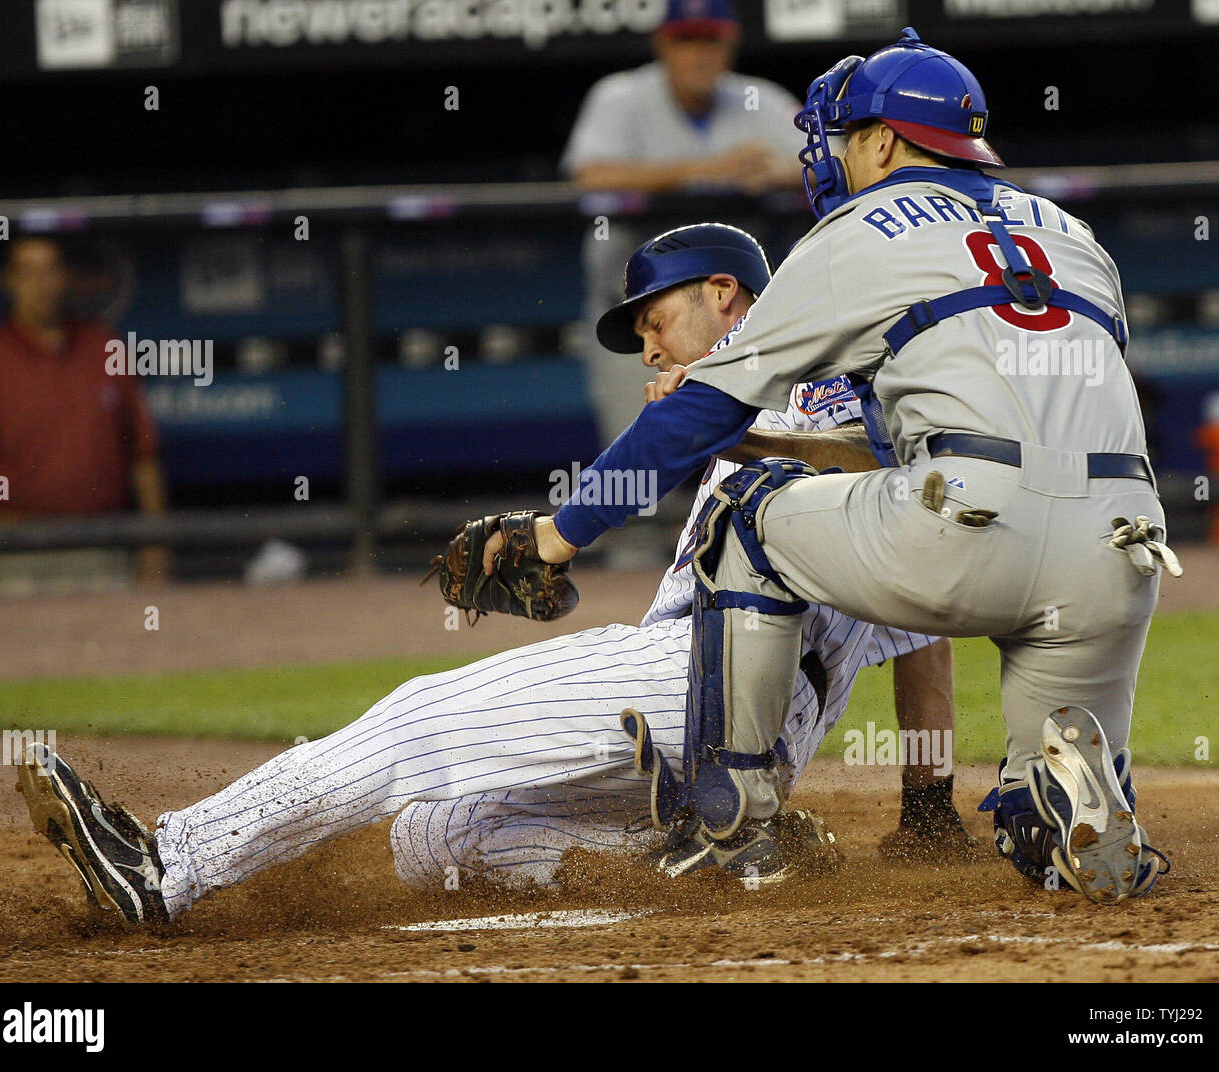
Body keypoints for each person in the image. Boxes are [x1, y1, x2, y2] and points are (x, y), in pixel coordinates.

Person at [16, 223, 971, 924]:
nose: (647, 346)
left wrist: (929, 803)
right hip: (716, 722)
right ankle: (704, 855)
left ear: (727, 294)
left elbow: (902, 521)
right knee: (431, 838)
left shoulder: (826, 381)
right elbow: (918, 626)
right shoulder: (743, 412)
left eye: (657, 319)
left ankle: (165, 866)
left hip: (711, 682)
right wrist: (924, 805)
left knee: (417, 719)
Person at [485, 30, 1178, 904]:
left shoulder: (862, 228)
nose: (837, 157)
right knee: (1040, 830)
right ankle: (1059, 800)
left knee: (750, 513)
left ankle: (734, 812)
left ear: (885, 141)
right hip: (1123, 544)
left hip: (968, 525)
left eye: (846, 139)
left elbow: (703, 410)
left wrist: (560, 532)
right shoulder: (1078, 238)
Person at [562, 0, 802, 565]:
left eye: (711, 39)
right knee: (635, 461)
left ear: (730, 43)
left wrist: (780, 173)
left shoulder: (758, 98)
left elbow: (830, 163)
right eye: (686, 38)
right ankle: (627, 594)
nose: (699, 52)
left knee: (769, 451)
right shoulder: (620, 97)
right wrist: (705, 171)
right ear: (663, 44)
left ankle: (743, 562)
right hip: (638, 315)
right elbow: (590, 175)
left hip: (733, 322)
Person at [0, 236, 168, 593]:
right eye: (28, 272)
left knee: (113, 647)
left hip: (99, 544)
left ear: (67, 277)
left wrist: (155, 555)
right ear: (8, 281)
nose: (41, 284)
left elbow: (144, 458)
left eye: (51, 270)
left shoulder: (103, 348)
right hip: (12, 550)